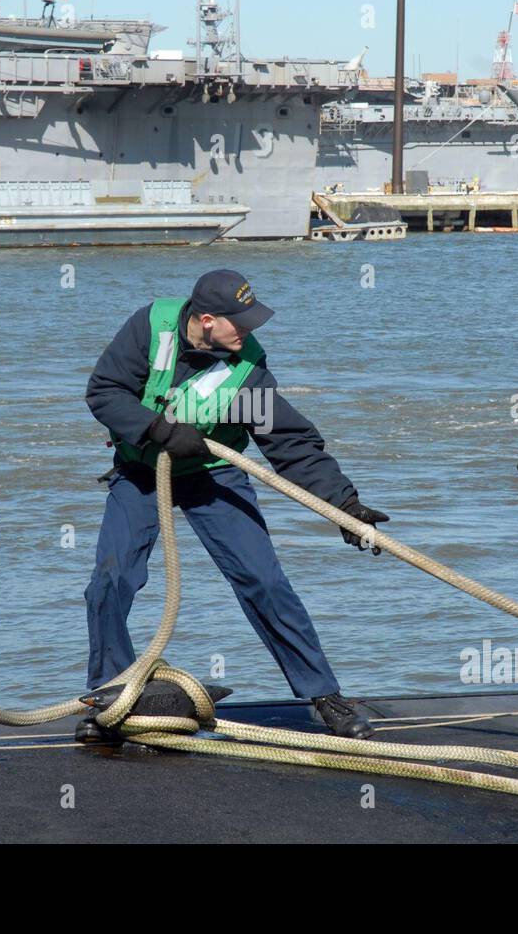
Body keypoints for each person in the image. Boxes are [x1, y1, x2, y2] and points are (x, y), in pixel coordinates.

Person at [82, 269, 389, 740]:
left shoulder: (247, 369)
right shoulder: (152, 327)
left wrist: (343, 504)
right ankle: (111, 698)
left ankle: (325, 697)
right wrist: (159, 431)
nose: (248, 332)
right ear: (207, 320)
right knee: (111, 578)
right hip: (141, 471)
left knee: (264, 581)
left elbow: (290, 443)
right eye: (239, 324)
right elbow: (104, 391)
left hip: (213, 474)